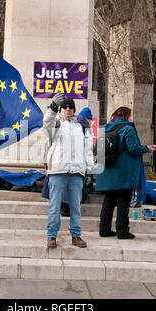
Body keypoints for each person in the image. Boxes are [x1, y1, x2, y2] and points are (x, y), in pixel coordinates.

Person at [43, 93, 94, 249]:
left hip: (76, 172)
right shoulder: (57, 124)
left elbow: (87, 150)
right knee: (54, 205)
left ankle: (76, 235)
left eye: (70, 106)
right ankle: (51, 236)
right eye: (64, 106)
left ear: (74, 109)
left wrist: (89, 170)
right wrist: (52, 108)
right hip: (58, 170)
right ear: (60, 109)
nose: (67, 109)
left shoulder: (82, 127)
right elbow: (47, 125)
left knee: (75, 206)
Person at [95, 106, 155, 239]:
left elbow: (98, 151)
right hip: (123, 173)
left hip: (106, 172)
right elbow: (133, 148)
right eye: (130, 115)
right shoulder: (128, 128)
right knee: (123, 201)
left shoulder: (103, 128)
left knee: (108, 201)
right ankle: (122, 231)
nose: (131, 118)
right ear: (126, 116)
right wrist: (146, 148)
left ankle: (104, 229)